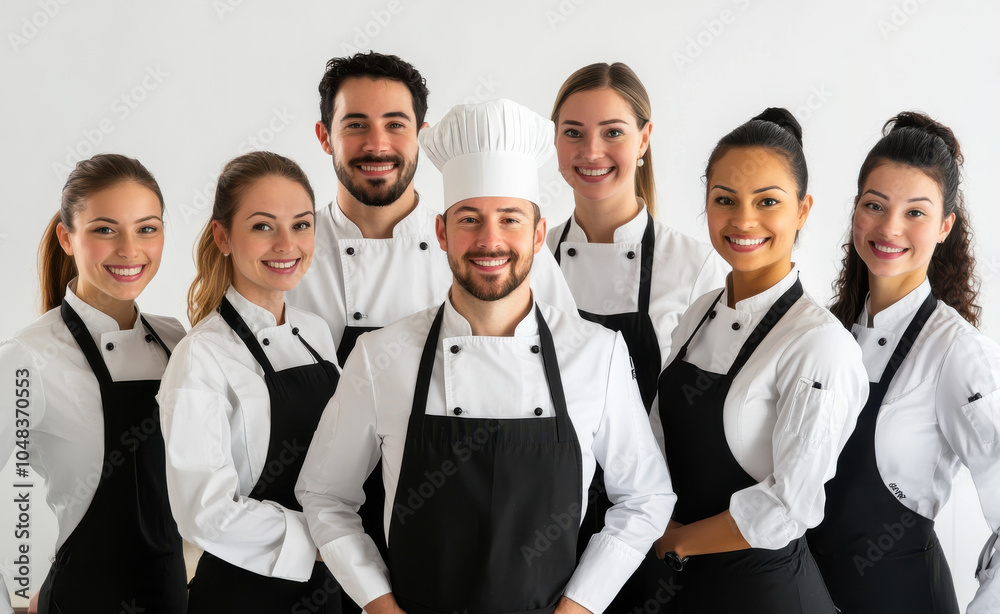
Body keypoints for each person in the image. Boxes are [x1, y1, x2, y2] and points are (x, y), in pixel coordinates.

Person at [296, 98, 674, 614]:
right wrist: (378, 605)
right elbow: (324, 495)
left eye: (510, 220)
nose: (490, 240)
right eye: (469, 219)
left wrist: (579, 607)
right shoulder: (381, 356)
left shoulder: (596, 354)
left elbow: (646, 499)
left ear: (539, 235)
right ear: (442, 233)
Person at [649, 108, 868, 613]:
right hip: (679, 587)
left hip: (763, 594)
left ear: (803, 209)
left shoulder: (819, 345)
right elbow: (657, 435)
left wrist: (674, 541)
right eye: (724, 200)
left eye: (767, 201)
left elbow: (788, 507)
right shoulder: (699, 312)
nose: (743, 221)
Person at [547, 62, 726, 613]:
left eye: (613, 132)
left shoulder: (696, 267)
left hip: (654, 521)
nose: (591, 150)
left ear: (645, 138)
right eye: (573, 132)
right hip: (547, 518)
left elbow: (709, 418)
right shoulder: (530, 262)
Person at [807, 112, 1000, 614]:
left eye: (916, 212)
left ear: (945, 227)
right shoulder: (826, 336)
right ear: (855, 213)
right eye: (876, 205)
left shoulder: (955, 351)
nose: (890, 227)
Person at [287, 51, 576, 365]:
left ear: (418, 137)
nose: (377, 145)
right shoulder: (284, 253)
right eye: (356, 125)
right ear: (325, 137)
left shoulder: (494, 250)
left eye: (395, 124)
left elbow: (572, 362)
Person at [0, 154, 187, 613]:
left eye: (147, 228)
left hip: (174, 598)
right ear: (67, 237)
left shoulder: (177, 339)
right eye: (105, 229)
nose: (130, 249)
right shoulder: (28, 357)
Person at [158, 151, 341, 613]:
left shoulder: (315, 332)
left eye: (301, 224)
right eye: (262, 226)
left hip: (333, 586)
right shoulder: (201, 356)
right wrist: (327, 539)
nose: (286, 243)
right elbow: (203, 511)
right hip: (245, 593)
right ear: (222, 236)